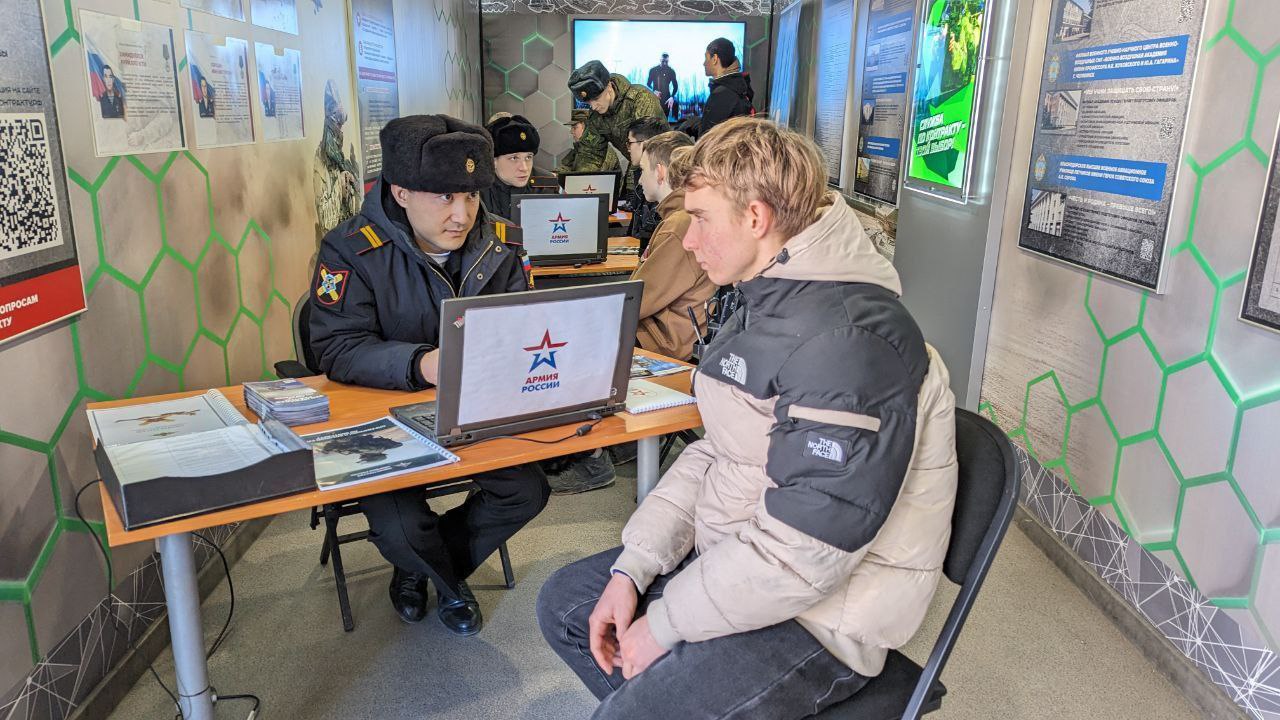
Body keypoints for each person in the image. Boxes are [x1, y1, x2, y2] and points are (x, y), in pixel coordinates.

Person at [536, 117, 959, 717]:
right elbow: (720, 449)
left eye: (701, 218)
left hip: (820, 617)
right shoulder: (773, 293)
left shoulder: (849, 344)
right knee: (568, 605)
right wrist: (634, 568)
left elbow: (804, 550)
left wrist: (665, 623)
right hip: (741, 553)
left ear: (755, 218)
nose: (688, 240)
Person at [309, 114, 550, 635]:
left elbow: (522, 325)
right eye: (444, 197)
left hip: (475, 410)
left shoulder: (501, 241)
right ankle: (445, 583)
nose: (462, 215)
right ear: (400, 192)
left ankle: (425, 571)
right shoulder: (350, 249)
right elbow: (335, 346)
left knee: (527, 492)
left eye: (471, 196)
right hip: (386, 419)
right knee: (400, 525)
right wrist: (421, 363)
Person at [630, 131, 715, 361]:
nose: (640, 180)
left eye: (643, 170)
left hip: (663, 345)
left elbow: (636, 301)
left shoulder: (679, 225)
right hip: (674, 340)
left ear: (659, 172)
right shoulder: (682, 218)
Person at [565, 60, 666, 187]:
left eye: (596, 99)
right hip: (640, 170)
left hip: (664, 171)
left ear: (609, 87)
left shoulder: (641, 99)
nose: (594, 106)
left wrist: (632, 188)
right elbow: (590, 155)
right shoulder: (595, 116)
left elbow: (647, 150)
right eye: (588, 103)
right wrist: (580, 187)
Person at [313, 79, 361, 243]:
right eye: (336, 126)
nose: (340, 132)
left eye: (341, 126)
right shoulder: (321, 158)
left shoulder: (341, 158)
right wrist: (340, 187)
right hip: (335, 241)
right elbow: (325, 217)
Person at [623, 117, 671, 250]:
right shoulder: (642, 180)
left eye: (630, 143)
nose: (628, 149)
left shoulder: (660, 186)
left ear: (645, 144)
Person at [480, 114, 539, 221]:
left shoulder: (547, 187)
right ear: (493, 161)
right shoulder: (477, 191)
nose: (524, 168)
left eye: (528, 157)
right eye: (514, 158)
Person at [699, 38, 755, 137]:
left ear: (715, 59)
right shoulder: (737, 87)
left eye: (706, 58)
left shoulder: (721, 95)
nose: (704, 63)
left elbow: (706, 139)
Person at [556, 108, 621, 174]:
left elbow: (585, 175)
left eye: (575, 128)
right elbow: (566, 166)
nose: (571, 131)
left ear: (586, 127)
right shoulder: (580, 146)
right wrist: (556, 174)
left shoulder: (596, 148)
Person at [646, 53, 678, 122]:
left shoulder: (671, 71)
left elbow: (675, 87)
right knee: (654, 121)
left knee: (664, 120)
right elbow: (648, 84)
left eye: (666, 62)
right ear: (660, 60)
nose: (664, 63)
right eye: (663, 61)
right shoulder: (653, 70)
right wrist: (653, 91)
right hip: (655, 98)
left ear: (668, 61)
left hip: (667, 99)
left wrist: (672, 97)